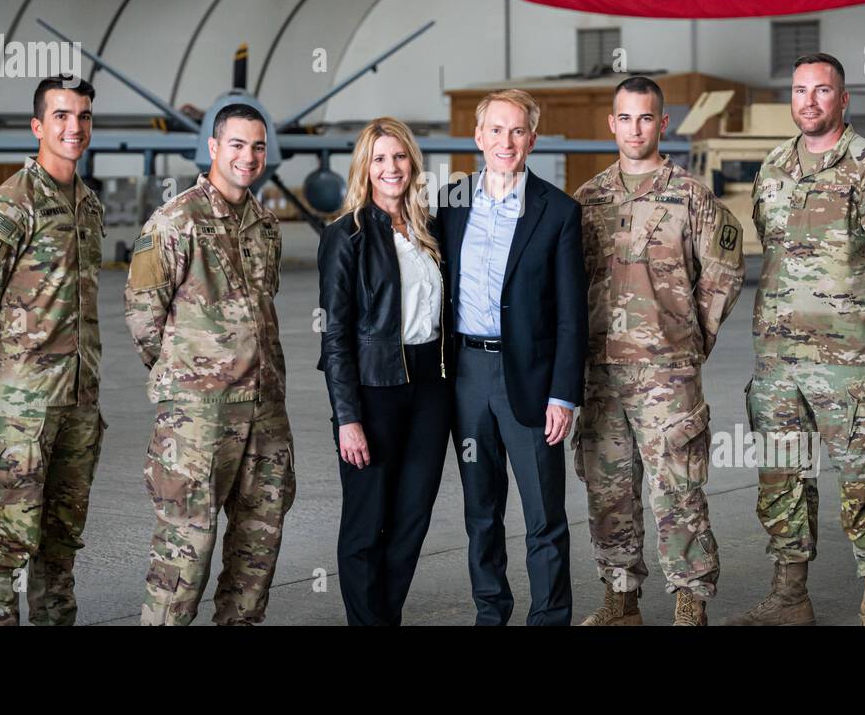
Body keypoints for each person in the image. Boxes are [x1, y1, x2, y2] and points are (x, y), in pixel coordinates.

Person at [728, 53, 865, 627]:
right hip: (779, 363)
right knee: (780, 479)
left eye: (822, 91)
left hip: (852, 364)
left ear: (844, 100)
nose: (809, 101)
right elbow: (771, 249)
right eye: (799, 90)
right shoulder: (771, 168)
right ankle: (791, 598)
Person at [572, 76, 745, 627]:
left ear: (662, 123)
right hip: (600, 373)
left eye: (646, 118)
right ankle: (621, 602)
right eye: (625, 118)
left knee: (679, 491)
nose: (635, 128)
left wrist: (692, 339)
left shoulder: (690, 196)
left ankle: (689, 602)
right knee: (608, 490)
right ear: (611, 124)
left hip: (667, 374)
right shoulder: (588, 199)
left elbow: (723, 271)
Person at [126, 103, 295, 626]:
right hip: (199, 422)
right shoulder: (176, 222)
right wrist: (190, 380)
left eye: (258, 146)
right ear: (214, 147)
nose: (248, 157)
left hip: (265, 417)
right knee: (184, 557)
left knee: (256, 553)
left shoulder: (266, 227)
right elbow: (142, 318)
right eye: (238, 145)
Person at [0, 77, 106, 625]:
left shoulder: (88, 206)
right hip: (24, 408)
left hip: (79, 403)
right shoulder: (12, 204)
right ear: (38, 126)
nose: (75, 127)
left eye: (84, 116)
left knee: (62, 539)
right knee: (8, 538)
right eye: (63, 116)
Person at [436, 89, 587, 626]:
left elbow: (572, 314)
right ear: (478, 138)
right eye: (496, 130)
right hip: (467, 376)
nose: (506, 141)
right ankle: (490, 612)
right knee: (481, 510)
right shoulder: (448, 206)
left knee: (544, 514)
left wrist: (563, 394)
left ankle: (549, 618)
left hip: (531, 379)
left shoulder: (559, 211)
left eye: (518, 131)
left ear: (533, 140)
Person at [317, 118, 450, 625]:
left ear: (412, 162)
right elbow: (335, 335)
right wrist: (347, 416)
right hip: (373, 390)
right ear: (365, 168)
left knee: (412, 518)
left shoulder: (428, 228)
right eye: (379, 159)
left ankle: (385, 616)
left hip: (430, 388)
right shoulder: (345, 234)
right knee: (366, 520)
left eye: (398, 157)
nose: (391, 168)